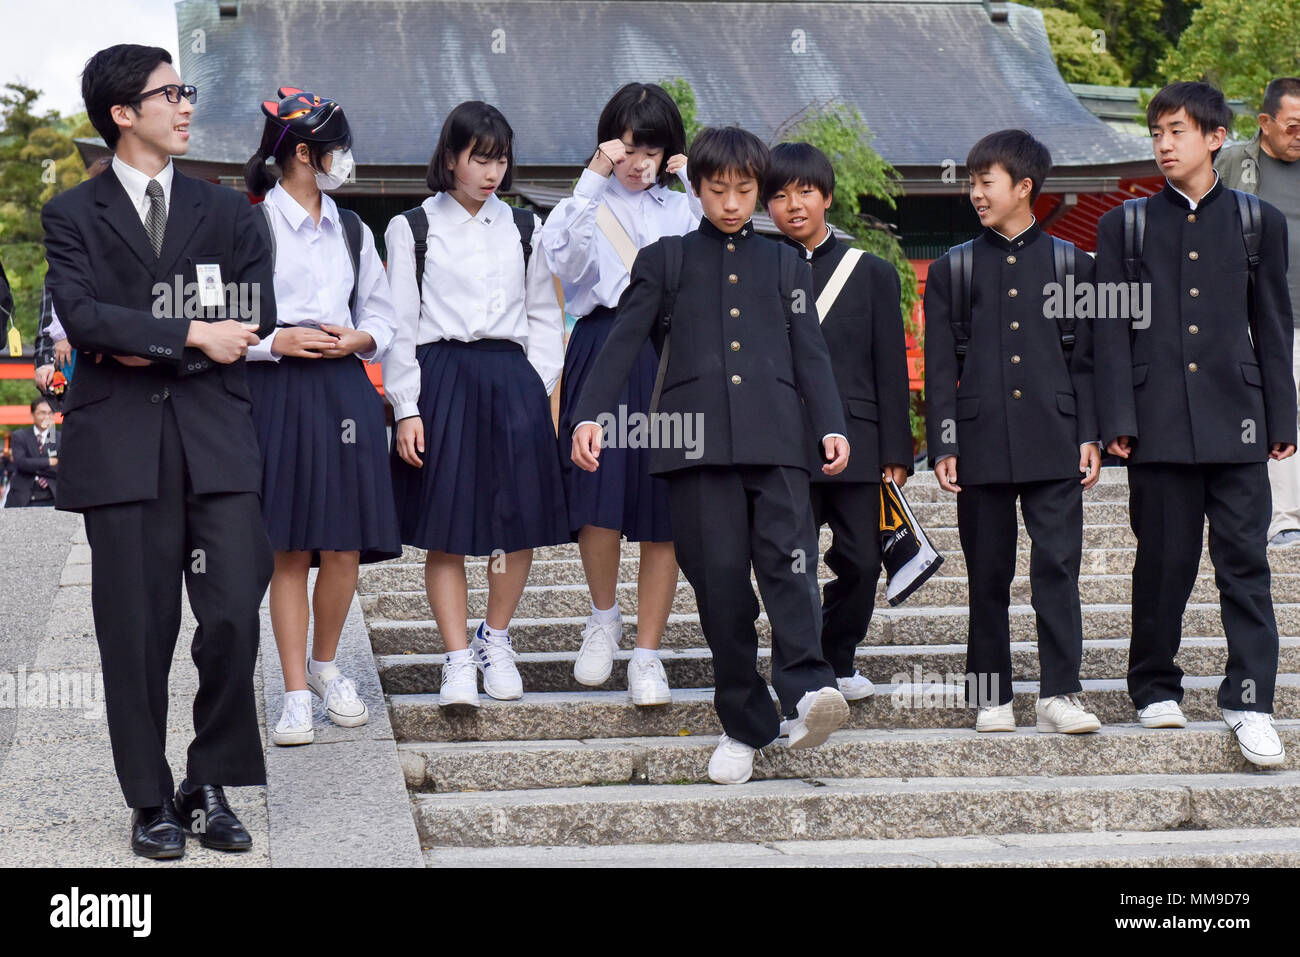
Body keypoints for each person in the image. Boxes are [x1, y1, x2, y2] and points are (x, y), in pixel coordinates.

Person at [41, 44, 276, 859]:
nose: (186, 106)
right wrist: (189, 334)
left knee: (233, 615)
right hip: (123, 447)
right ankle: (149, 797)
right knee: (135, 630)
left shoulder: (229, 211)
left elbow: (253, 313)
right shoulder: (73, 213)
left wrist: (155, 338)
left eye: (186, 90)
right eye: (170, 93)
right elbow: (83, 316)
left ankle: (207, 777)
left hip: (216, 440)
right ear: (122, 112)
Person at [571, 126, 852, 785]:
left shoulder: (787, 263)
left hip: (778, 439)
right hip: (690, 449)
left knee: (791, 566)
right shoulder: (664, 259)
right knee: (722, 591)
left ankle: (808, 687)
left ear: (759, 190)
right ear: (694, 187)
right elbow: (623, 342)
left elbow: (810, 350)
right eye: (718, 190)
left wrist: (830, 425)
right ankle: (743, 724)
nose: (732, 203)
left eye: (745, 191)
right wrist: (589, 414)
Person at [1095, 82, 1295, 766]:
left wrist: (1280, 413)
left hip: (1237, 419)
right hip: (1155, 424)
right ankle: (1154, 684)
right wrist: (1117, 416)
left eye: (1177, 130)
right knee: (1163, 563)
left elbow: (1272, 324)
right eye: (1156, 132)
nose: (1163, 143)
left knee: (1245, 565)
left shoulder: (1256, 221)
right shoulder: (1123, 225)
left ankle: (1250, 700)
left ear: (1215, 138)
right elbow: (1110, 328)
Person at [383, 101, 566, 708]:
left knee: (516, 526)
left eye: (501, 158)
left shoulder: (523, 228)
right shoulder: (411, 228)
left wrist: (534, 385)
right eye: (479, 158)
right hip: (442, 376)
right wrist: (406, 407)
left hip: (512, 375)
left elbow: (545, 313)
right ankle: (457, 656)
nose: (492, 171)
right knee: (448, 529)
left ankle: (498, 638)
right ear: (451, 157)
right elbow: (400, 325)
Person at [925, 129, 1102, 735]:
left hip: (1055, 439)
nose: (975, 193)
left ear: (1024, 187)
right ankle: (990, 694)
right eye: (972, 182)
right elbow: (941, 362)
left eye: (986, 181)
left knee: (1057, 567)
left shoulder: (1073, 265)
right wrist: (944, 442)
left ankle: (1062, 691)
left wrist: (1091, 434)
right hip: (979, 442)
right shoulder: (955, 267)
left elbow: (1088, 360)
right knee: (987, 573)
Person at [243, 88, 401, 746]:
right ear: (304, 154)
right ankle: (294, 691)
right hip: (275, 389)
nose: (348, 161)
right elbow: (220, 318)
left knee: (342, 544)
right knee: (289, 546)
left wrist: (361, 340)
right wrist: (271, 339)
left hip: (343, 389)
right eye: (338, 149)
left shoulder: (354, 229)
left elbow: (384, 314)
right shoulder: (248, 226)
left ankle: (328, 663)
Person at [539, 82, 701, 704]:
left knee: (663, 510)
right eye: (629, 148)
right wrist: (591, 178)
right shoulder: (587, 201)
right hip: (602, 347)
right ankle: (603, 619)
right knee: (597, 494)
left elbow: (706, 266)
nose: (639, 163)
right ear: (610, 143)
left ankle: (649, 653)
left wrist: (690, 184)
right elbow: (562, 261)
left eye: (651, 151)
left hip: (667, 356)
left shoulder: (679, 206)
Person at [763, 142, 913, 703]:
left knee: (862, 559)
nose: (793, 205)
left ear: (826, 196)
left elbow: (890, 366)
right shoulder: (758, 267)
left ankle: (837, 655)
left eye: (804, 192)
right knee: (790, 562)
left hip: (858, 441)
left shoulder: (871, 272)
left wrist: (896, 450)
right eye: (778, 195)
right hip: (783, 445)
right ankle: (799, 671)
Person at [1216, 78, 1300, 546]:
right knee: (1279, 411)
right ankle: (1285, 518)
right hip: (1262, 316)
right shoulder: (1232, 164)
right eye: (1292, 126)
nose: (1299, 134)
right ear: (1265, 123)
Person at [3, 398, 59, 508]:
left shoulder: (59, 437)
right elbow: (21, 463)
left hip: (53, 495)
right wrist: (49, 461)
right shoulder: (20, 436)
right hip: (22, 496)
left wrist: (33, 464)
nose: (47, 417)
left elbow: (62, 466)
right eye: (42, 413)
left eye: (50, 413)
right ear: (32, 415)